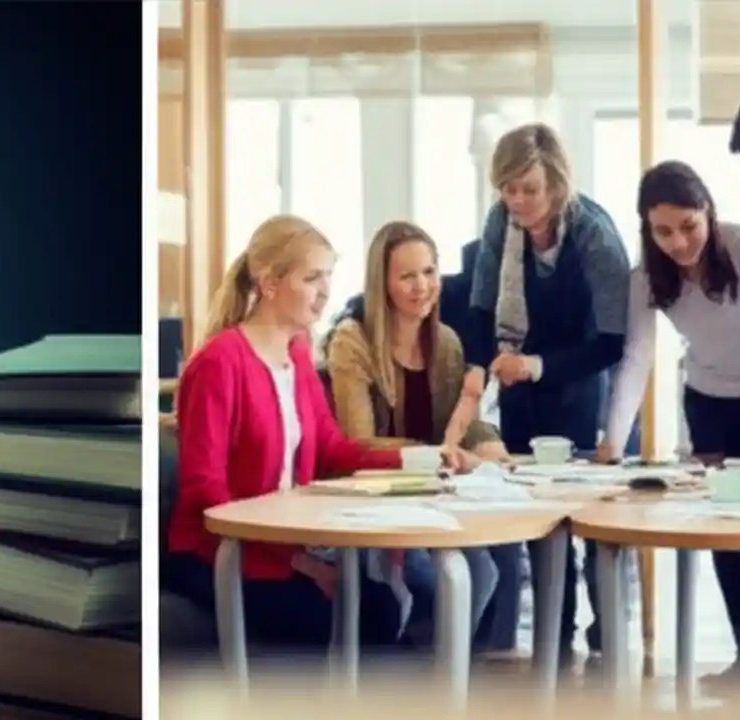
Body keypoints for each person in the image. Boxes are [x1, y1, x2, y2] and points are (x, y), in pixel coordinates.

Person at [166, 214, 456, 650]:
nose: (326, 292)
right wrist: (300, 562)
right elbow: (209, 495)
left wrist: (426, 458)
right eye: (313, 278)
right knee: (371, 620)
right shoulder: (219, 363)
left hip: (279, 546)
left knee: (385, 607)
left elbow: (332, 450)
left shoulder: (297, 352)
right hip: (218, 553)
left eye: (328, 277)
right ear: (269, 283)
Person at [598, 160, 740, 676]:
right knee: (721, 520)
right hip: (705, 399)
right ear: (648, 229)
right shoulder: (647, 275)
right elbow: (638, 356)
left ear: (708, 214)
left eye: (688, 226)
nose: (678, 242)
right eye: (663, 231)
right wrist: (611, 441)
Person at [469, 122, 632, 658]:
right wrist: (478, 366)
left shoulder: (595, 235)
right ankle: (552, 636)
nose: (517, 200)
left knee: (588, 515)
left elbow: (612, 341)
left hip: (581, 381)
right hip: (519, 382)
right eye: (508, 188)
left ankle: (608, 634)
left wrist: (537, 366)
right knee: (536, 512)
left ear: (557, 184)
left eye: (529, 189)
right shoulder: (502, 222)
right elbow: (480, 304)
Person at [324, 220, 515, 655]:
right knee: (440, 579)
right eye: (407, 276)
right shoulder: (351, 341)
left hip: (432, 491)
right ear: (383, 282)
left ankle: (438, 676)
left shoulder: (444, 341)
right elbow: (359, 441)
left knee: (485, 571)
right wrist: (433, 454)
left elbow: (459, 419)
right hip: (375, 495)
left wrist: (489, 444)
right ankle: (421, 677)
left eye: (429, 272)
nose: (422, 286)